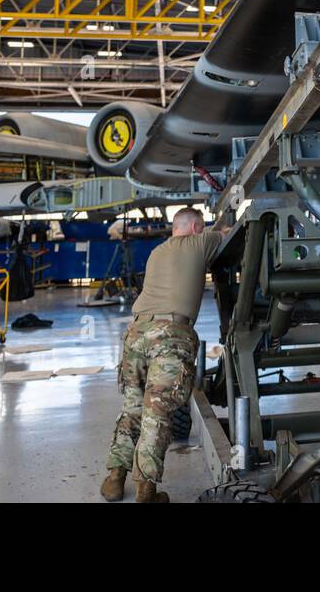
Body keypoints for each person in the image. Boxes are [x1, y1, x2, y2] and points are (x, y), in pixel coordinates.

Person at [102, 207, 219, 503]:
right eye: (201, 227)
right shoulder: (200, 242)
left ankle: (115, 479)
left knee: (132, 408)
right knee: (156, 412)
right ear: (195, 227)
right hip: (169, 335)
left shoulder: (157, 251)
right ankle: (146, 490)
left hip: (136, 333)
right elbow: (228, 234)